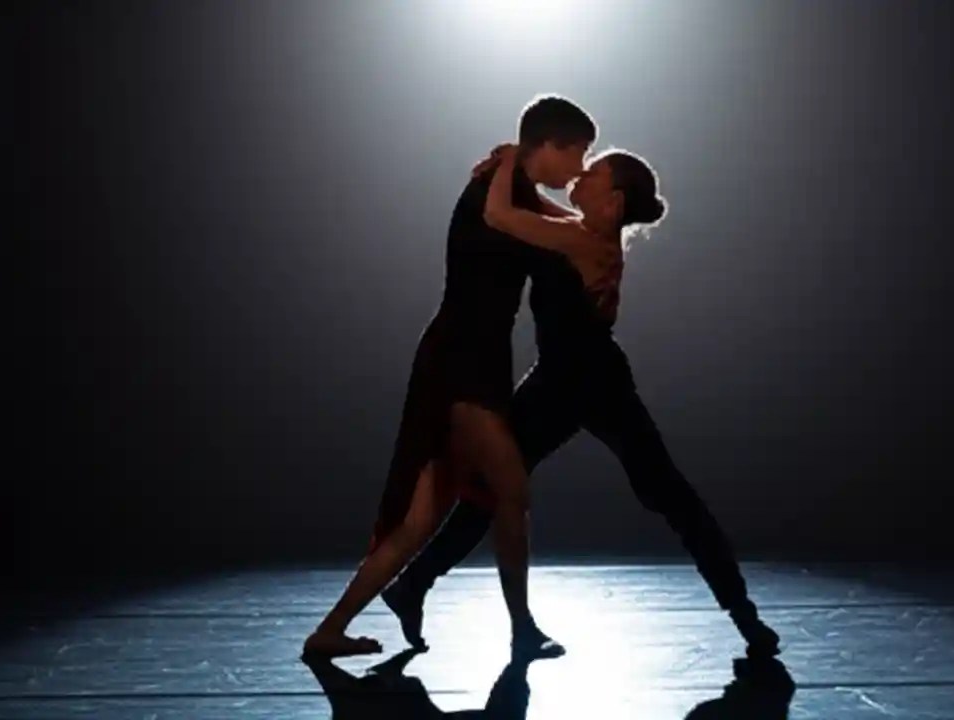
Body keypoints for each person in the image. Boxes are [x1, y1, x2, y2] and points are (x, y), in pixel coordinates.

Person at [382, 145, 785, 661]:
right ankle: (414, 586)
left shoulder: (580, 242)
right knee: (490, 490)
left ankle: (744, 615)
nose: (581, 174)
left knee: (670, 497)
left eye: (594, 173)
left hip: (594, 383)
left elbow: (505, 216)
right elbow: (543, 213)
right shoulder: (580, 232)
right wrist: (515, 168)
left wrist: (508, 166)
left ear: (613, 202)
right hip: (558, 380)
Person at [302, 96, 614, 659]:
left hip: (475, 358)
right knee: (511, 490)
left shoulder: (513, 190)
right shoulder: (494, 193)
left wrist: (510, 161)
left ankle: (328, 632)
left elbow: (567, 223)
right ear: (549, 145)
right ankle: (522, 629)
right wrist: (506, 160)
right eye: (579, 153)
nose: (581, 168)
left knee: (422, 519)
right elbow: (535, 223)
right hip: (460, 360)